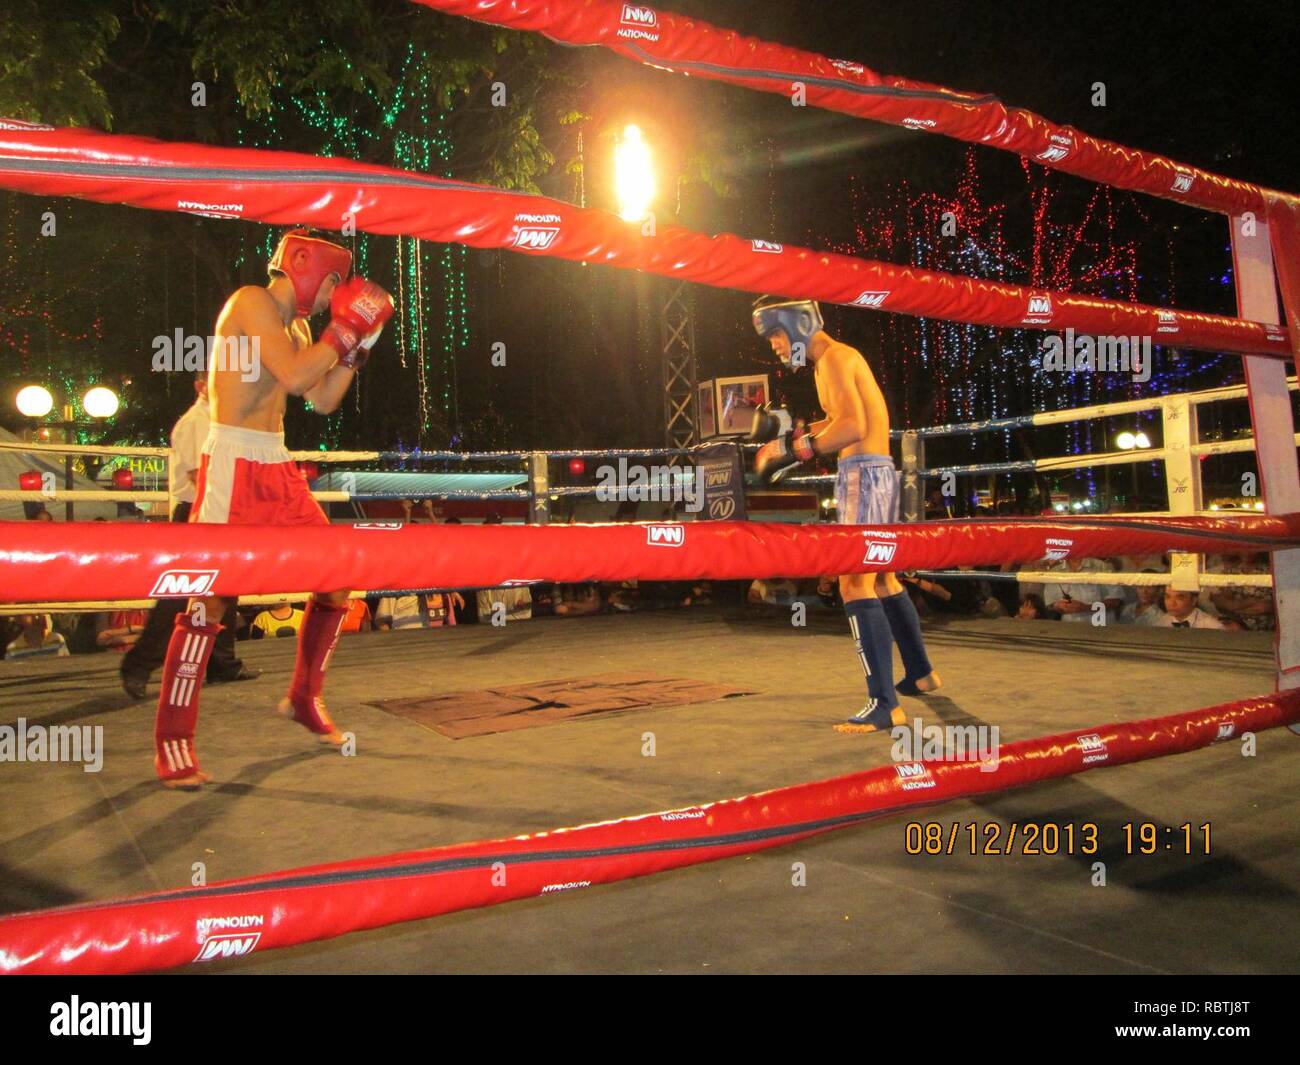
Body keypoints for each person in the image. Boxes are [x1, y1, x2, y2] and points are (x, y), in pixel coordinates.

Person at [151, 227, 394, 789]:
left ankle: (304, 697)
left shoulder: (304, 326)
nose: (338, 291)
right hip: (232, 461)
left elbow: (322, 397)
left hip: (277, 464)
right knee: (207, 601)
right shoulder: (251, 302)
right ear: (305, 264)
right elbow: (293, 373)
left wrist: (360, 342)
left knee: (337, 578)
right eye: (335, 279)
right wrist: (345, 328)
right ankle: (173, 738)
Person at [749, 296, 939, 734]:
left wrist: (796, 449)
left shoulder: (832, 360)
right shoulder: (837, 358)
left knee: (854, 582)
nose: (776, 346)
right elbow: (841, 420)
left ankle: (883, 704)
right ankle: (921, 673)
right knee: (884, 577)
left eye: (777, 334)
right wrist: (791, 439)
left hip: (864, 476)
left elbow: (851, 426)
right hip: (877, 472)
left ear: (797, 325)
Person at [120, 369, 258, 698]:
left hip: (219, 511)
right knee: (179, 595)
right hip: (198, 511)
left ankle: (222, 664)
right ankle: (138, 665)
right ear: (200, 386)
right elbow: (202, 477)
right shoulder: (198, 422)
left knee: (225, 590)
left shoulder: (223, 421)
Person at [5, 614, 69, 660]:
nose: (36, 617)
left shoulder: (56, 639)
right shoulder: (14, 648)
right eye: (30, 613)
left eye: (40, 612)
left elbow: (66, 666)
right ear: (19, 618)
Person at [1153, 589, 1224, 629]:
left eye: (1179, 598)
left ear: (1194, 600)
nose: (1172, 603)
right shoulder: (1161, 623)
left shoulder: (1212, 626)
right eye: (1168, 597)